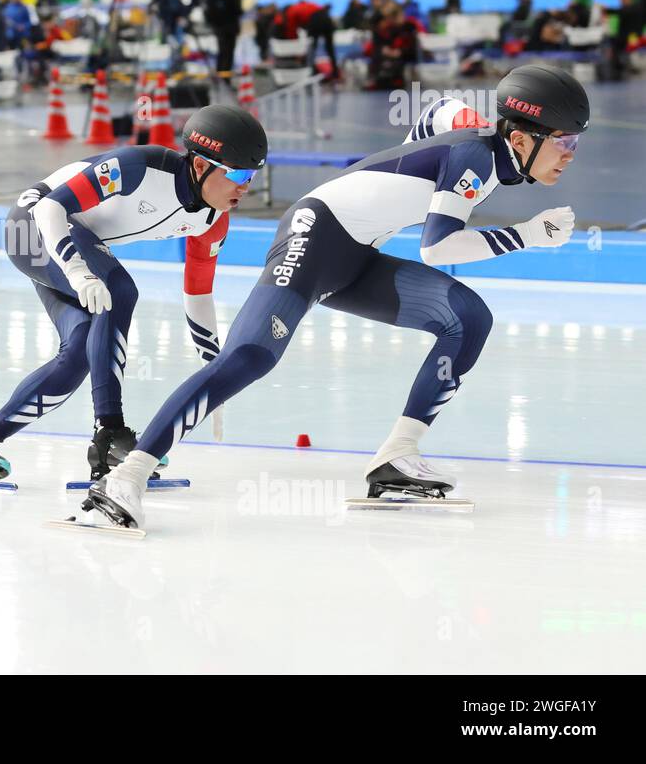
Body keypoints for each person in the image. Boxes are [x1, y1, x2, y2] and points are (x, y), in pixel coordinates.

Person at [88, 66, 588, 530]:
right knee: (250, 357)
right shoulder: (477, 157)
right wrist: (526, 236)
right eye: (565, 140)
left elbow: (438, 112)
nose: (571, 153)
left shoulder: (487, 147)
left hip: (356, 256)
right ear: (521, 137)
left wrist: (434, 138)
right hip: (315, 233)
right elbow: (437, 249)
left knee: (467, 317)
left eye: (577, 141)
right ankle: (128, 475)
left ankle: (397, 455)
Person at [0, 106, 267, 484]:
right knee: (119, 290)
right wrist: (78, 271)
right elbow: (50, 208)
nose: (246, 187)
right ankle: (110, 432)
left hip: (74, 244)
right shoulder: (138, 168)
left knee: (79, 351)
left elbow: (198, 295)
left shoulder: (213, 220)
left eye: (253, 175)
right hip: (32, 225)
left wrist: (216, 372)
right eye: (239, 174)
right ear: (199, 166)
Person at [205, 0, 243, 81]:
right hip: (229, 27)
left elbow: (208, 10)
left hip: (219, 27)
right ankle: (225, 77)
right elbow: (237, 10)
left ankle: (221, 74)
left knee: (222, 51)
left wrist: (213, 23)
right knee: (228, 51)